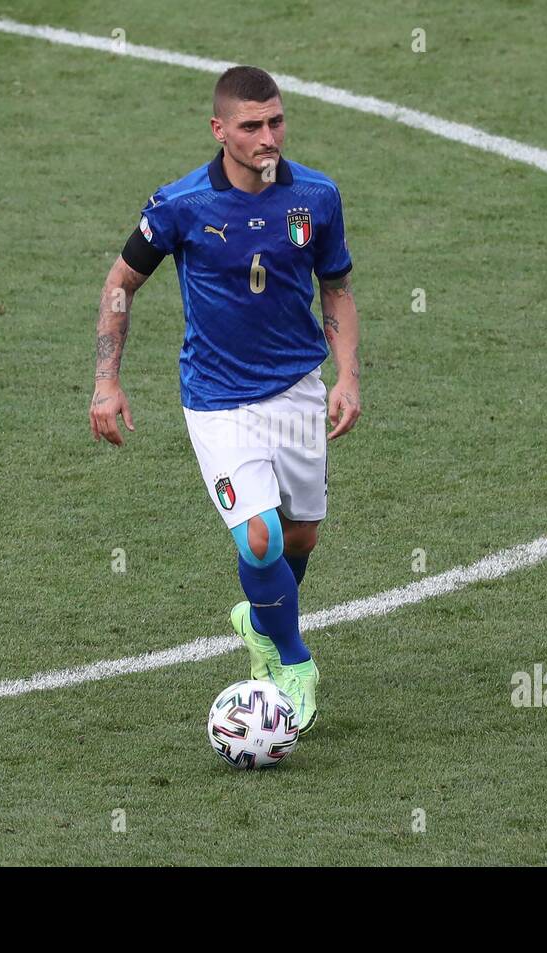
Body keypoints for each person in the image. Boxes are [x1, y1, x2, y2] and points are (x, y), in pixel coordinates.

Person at [89, 65, 361, 733]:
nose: (267, 137)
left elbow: (338, 289)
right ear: (220, 131)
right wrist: (106, 378)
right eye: (251, 126)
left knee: (300, 534)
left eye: (276, 122)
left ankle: (259, 618)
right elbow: (121, 282)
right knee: (262, 539)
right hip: (217, 399)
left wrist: (347, 375)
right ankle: (293, 662)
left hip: (297, 390)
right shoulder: (181, 206)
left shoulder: (315, 197)